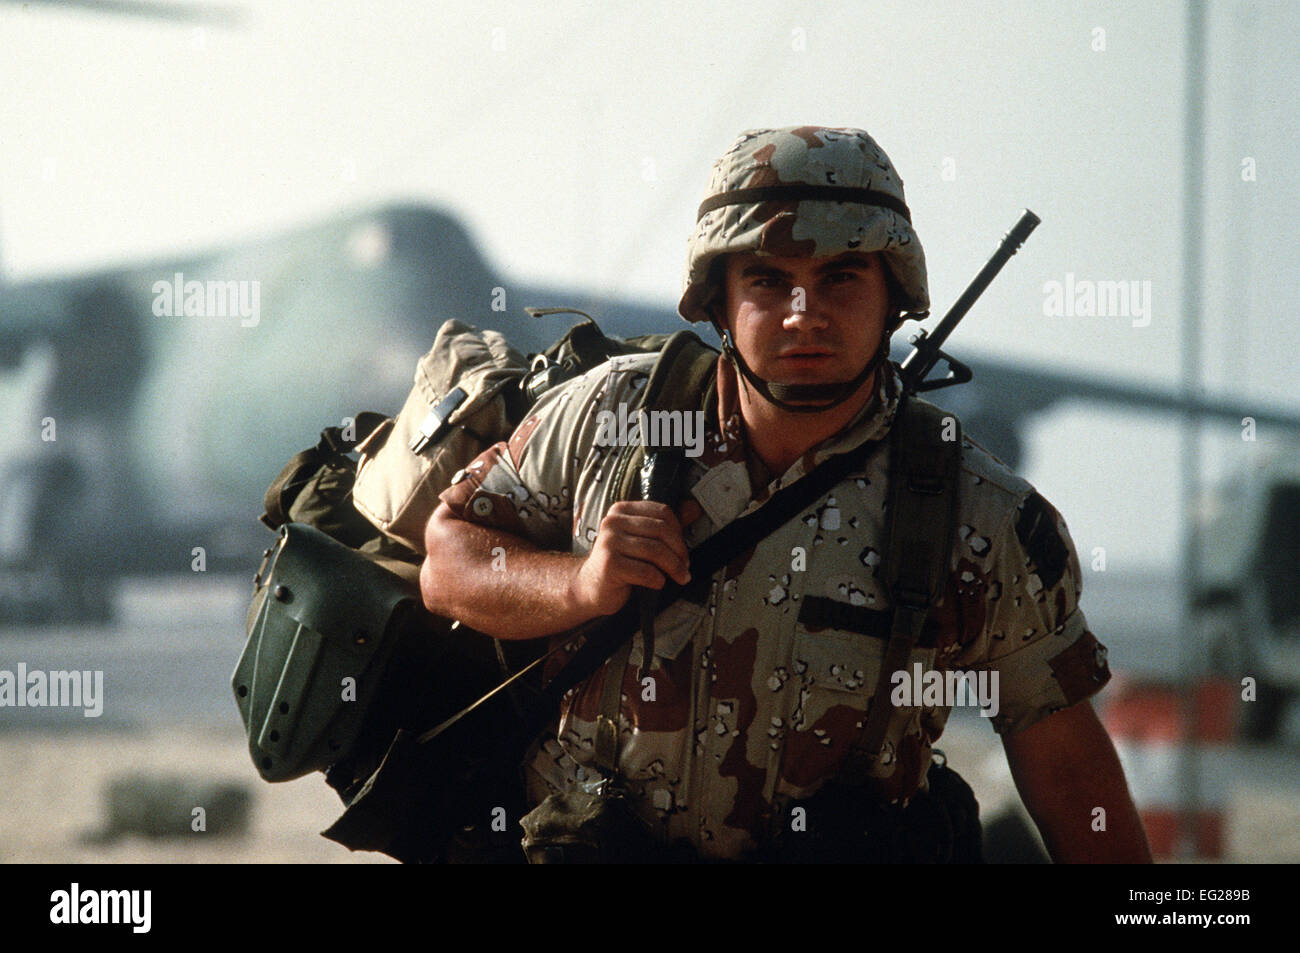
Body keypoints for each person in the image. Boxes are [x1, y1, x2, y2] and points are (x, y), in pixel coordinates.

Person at [418, 125, 1151, 863]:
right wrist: (578, 584)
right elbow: (447, 560)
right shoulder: (610, 420)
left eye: (841, 277)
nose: (805, 312)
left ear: (893, 296)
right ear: (719, 299)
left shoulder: (977, 517)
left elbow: (1064, 764)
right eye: (768, 280)